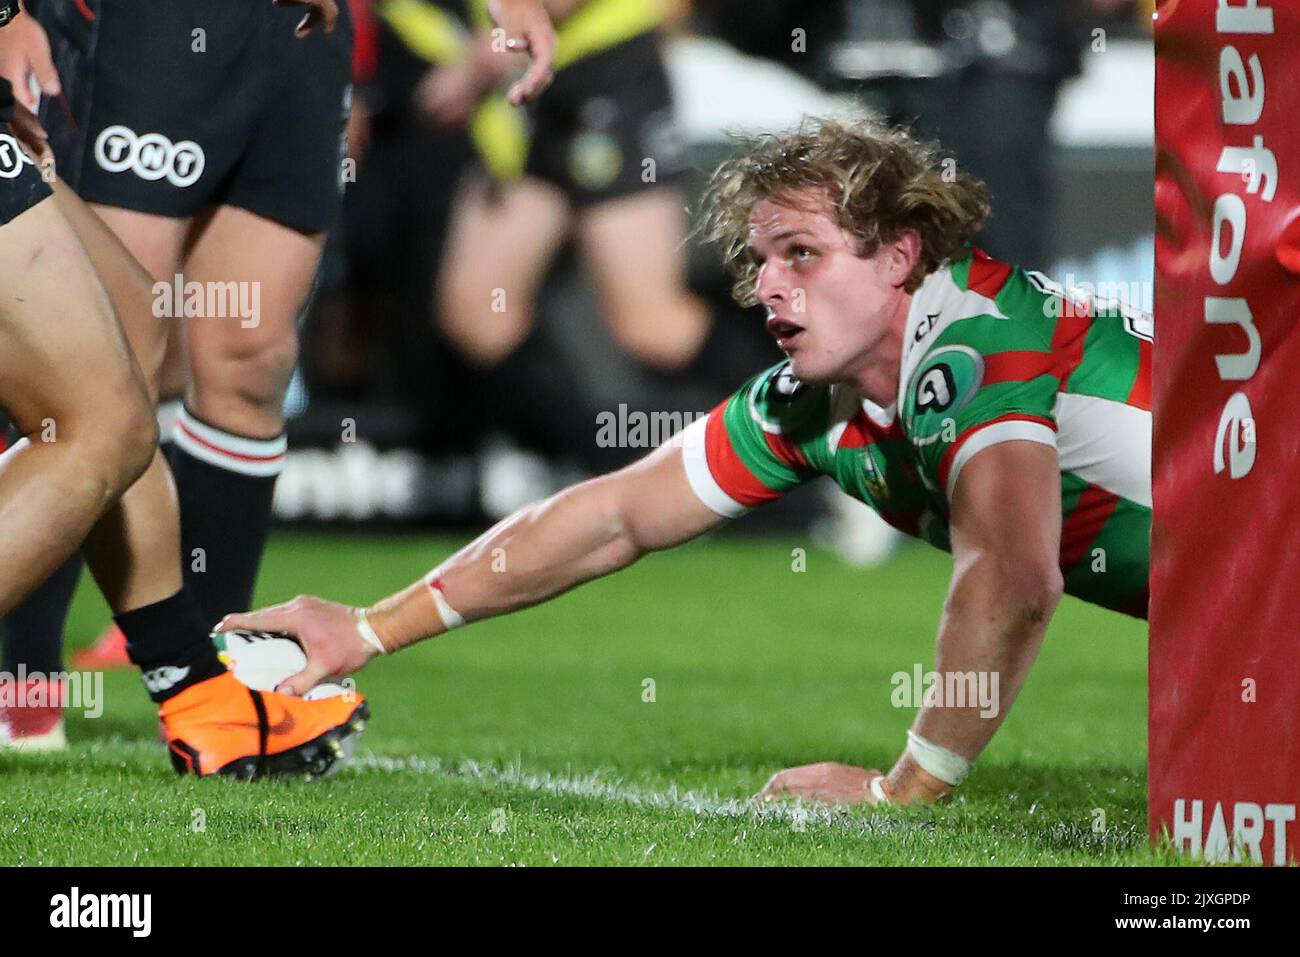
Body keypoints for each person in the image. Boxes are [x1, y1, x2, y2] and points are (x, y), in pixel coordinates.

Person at [218, 117, 1152, 805]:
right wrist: (372, 628)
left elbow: (1014, 579)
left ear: (901, 255)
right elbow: (614, 516)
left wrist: (902, 791)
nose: (773, 288)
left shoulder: (977, 339)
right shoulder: (812, 402)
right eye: (763, 263)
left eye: (803, 255)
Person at [0, 0, 555, 748]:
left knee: (250, 358)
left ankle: (213, 686)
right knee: (103, 363)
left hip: (301, 33)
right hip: (151, 25)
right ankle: (25, 689)